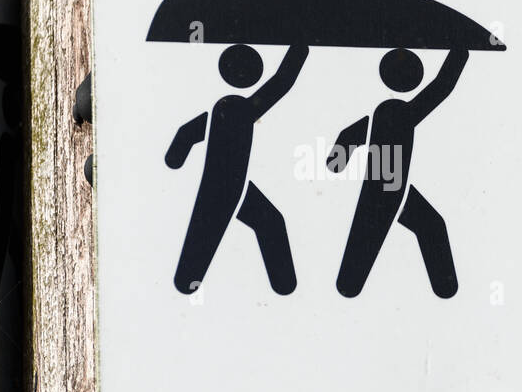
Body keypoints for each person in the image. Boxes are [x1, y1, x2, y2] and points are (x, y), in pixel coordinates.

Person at [166, 43, 309, 295]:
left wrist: (175, 157)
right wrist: (301, 48)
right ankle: (283, 285)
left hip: (234, 187)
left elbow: (186, 133)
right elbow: (281, 82)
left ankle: (285, 287)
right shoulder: (240, 108)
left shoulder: (227, 108)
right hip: (222, 191)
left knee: (270, 223)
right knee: (258, 225)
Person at [328, 46, 468, 298]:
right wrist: (460, 52)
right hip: (386, 193)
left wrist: (337, 160)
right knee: (427, 227)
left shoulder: (385, 115)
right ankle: (349, 285)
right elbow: (441, 87)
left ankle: (445, 290)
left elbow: (348, 139)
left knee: (430, 226)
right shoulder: (402, 113)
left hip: (388, 191)